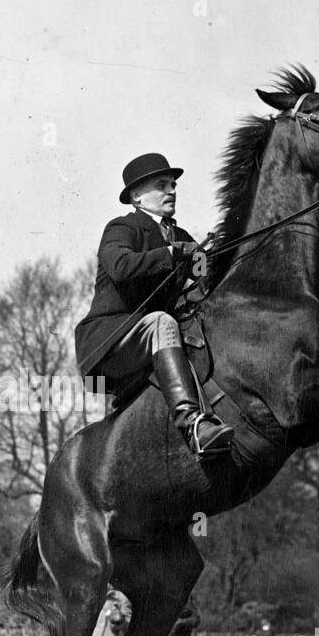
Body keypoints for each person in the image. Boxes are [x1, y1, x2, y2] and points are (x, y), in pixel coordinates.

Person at [74, 153, 234, 461]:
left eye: (173, 185)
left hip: (154, 338)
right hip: (109, 341)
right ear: (136, 196)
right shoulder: (122, 228)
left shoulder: (181, 237)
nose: (171, 191)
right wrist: (172, 254)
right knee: (161, 322)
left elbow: (206, 276)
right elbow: (120, 266)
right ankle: (192, 424)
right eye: (161, 185)